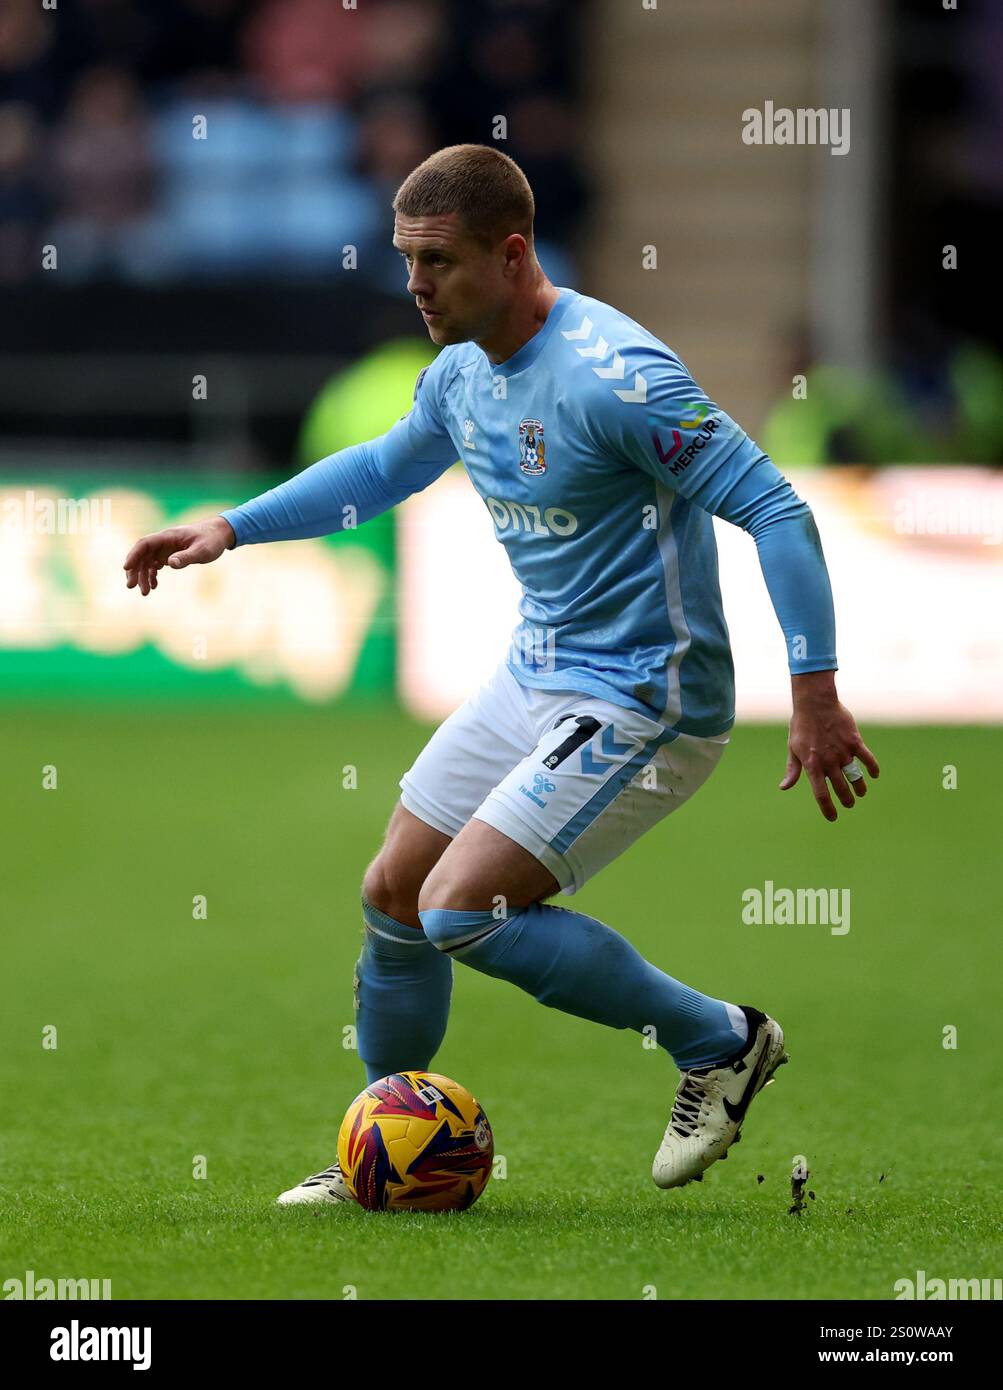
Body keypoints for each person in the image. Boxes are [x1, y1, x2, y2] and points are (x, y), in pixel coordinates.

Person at [123, 144, 879, 1203]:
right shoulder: (462, 372)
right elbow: (385, 468)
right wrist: (232, 527)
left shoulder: (617, 376)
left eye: (437, 262)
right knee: (393, 893)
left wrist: (815, 692)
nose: (416, 286)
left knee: (459, 908)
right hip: (535, 672)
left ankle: (721, 1041)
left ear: (511, 252)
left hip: (644, 696)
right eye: (405, 262)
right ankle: (388, 1146)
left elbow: (776, 509)